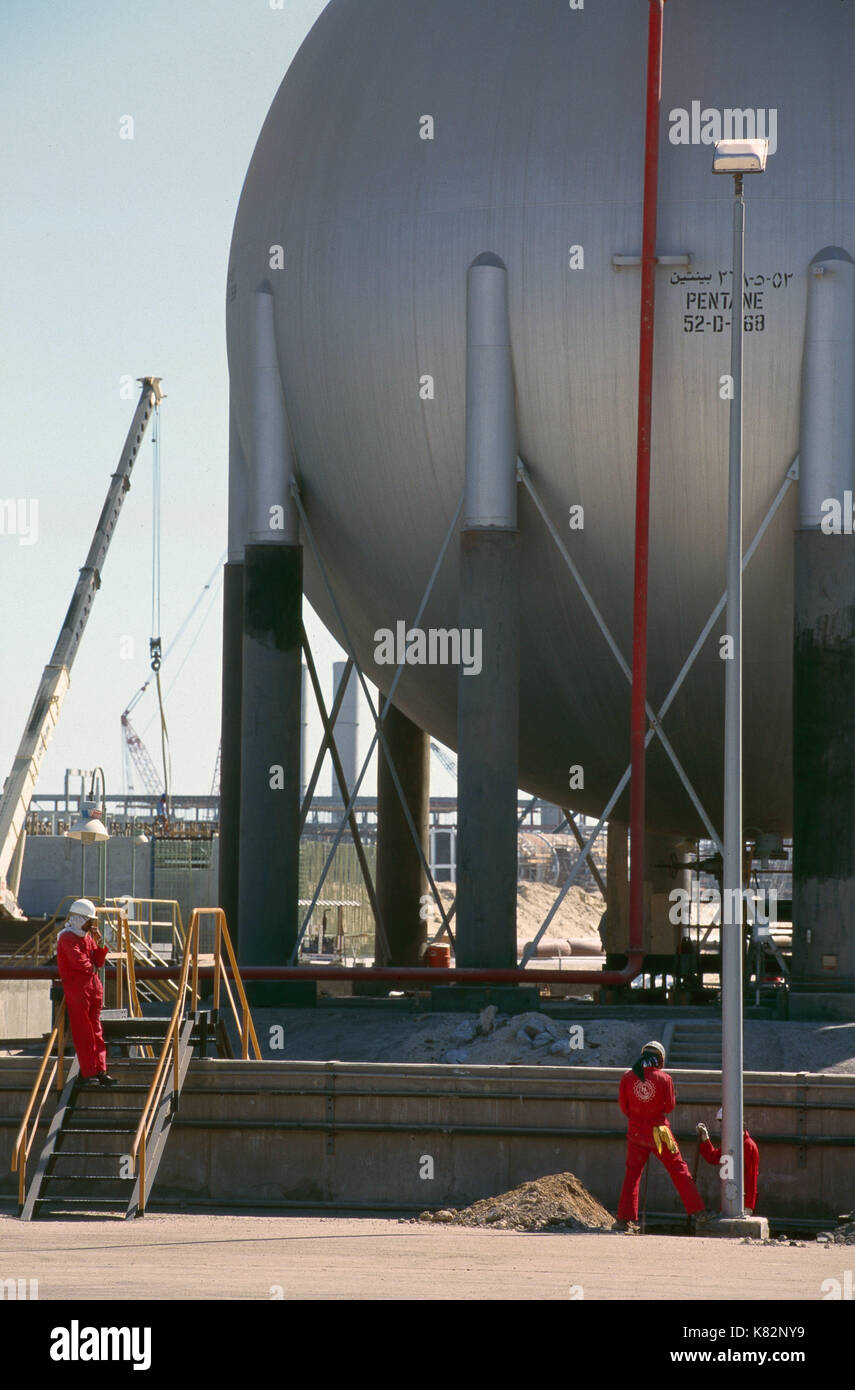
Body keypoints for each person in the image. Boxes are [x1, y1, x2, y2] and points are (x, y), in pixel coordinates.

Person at [616, 1039, 709, 1232]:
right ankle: (699, 1212)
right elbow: (669, 1107)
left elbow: (624, 1107)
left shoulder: (627, 1077)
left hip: (636, 1131)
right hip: (660, 1131)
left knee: (632, 1175)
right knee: (679, 1169)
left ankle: (623, 1220)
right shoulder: (665, 1079)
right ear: (660, 1059)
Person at [55, 898, 116, 1087]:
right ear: (79, 919)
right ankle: (89, 1072)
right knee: (84, 1032)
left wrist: (99, 943)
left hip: (92, 988)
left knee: (96, 1031)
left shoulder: (87, 938)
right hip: (78, 989)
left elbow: (98, 962)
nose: (91, 925)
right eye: (89, 921)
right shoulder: (66, 937)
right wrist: (92, 965)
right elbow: (81, 963)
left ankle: (101, 1070)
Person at [697, 1107, 760, 1214]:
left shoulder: (748, 1146)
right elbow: (713, 1157)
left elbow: (751, 1177)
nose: (722, 1127)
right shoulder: (730, 1143)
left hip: (742, 1203)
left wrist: (749, 1206)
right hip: (729, 1199)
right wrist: (705, 1139)